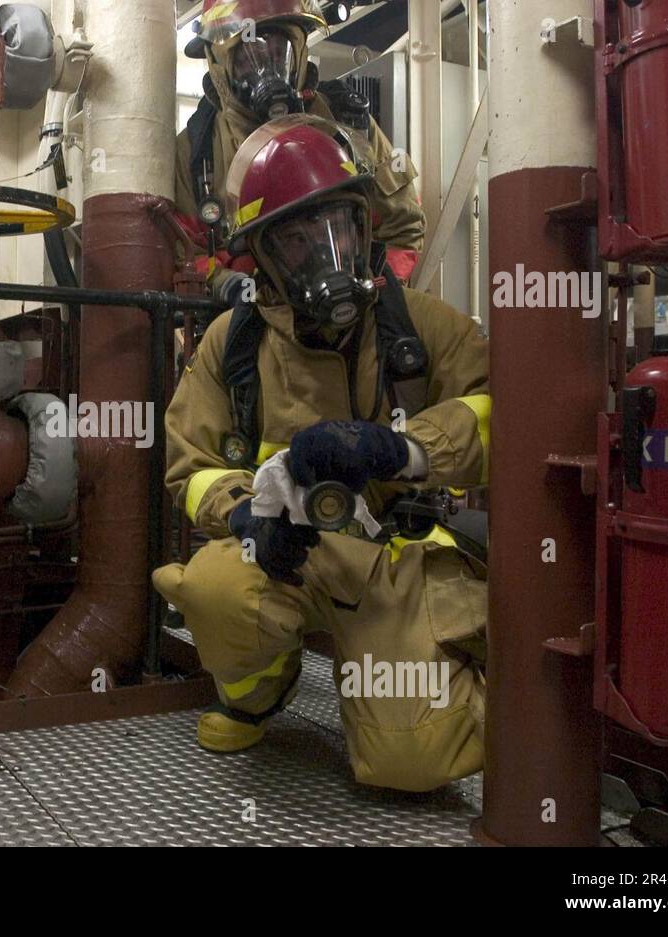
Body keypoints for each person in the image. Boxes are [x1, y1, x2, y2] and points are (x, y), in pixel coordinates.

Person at [153, 116, 489, 792]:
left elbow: (500, 409)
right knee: (219, 588)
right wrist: (250, 519)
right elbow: (190, 464)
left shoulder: (420, 327)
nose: (323, 253)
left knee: (412, 764)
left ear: (365, 227)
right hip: (286, 556)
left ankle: (443, 683)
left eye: (337, 227)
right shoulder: (233, 343)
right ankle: (257, 690)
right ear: (265, 257)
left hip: (394, 557)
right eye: (297, 238)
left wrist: (407, 450)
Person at [176, 0, 425, 286]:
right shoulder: (195, 153)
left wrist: (378, 297)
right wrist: (229, 287)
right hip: (246, 317)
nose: (266, 70)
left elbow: (403, 225)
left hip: (346, 312)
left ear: (300, 50)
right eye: (248, 57)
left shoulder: (348, 124)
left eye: (278, 50)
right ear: (217, 61)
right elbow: (188, 255)